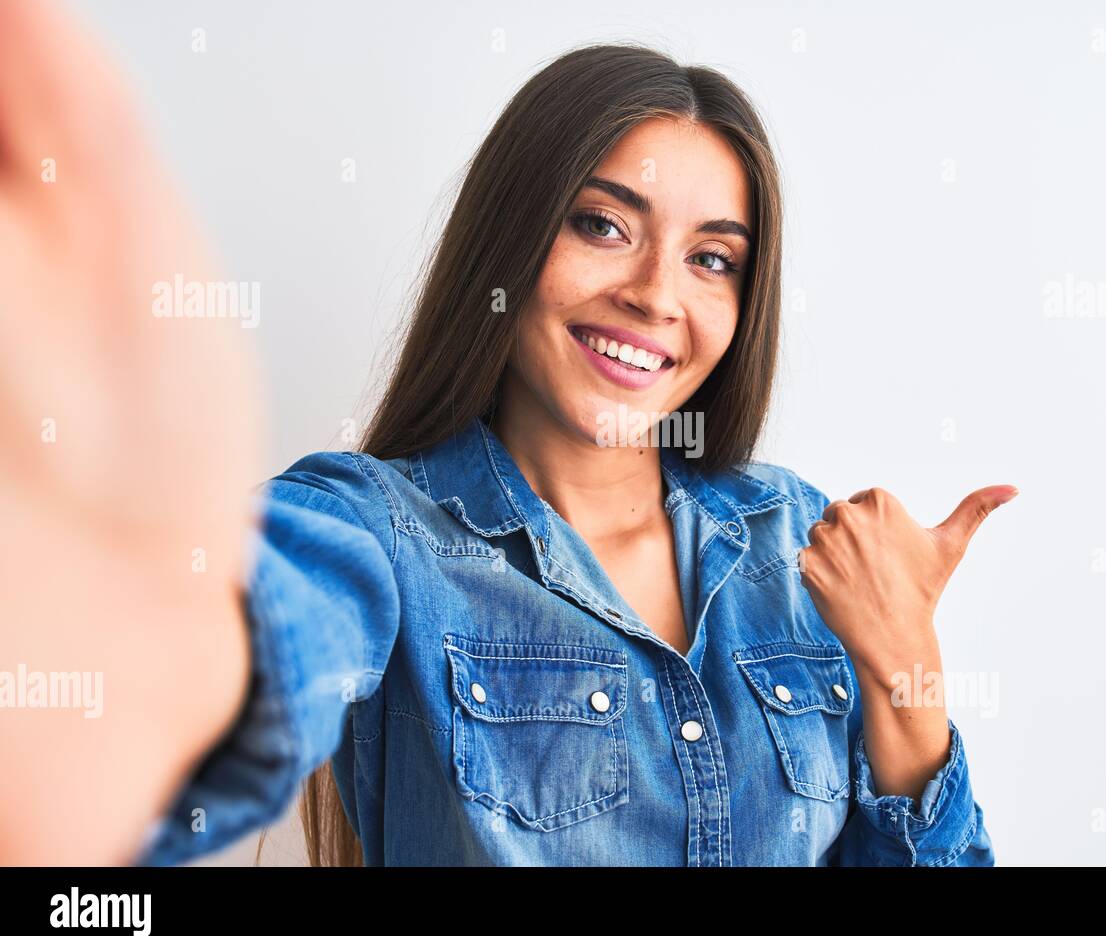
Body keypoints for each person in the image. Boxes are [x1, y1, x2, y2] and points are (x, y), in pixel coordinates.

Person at [0, 0, 1012, 866]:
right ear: (513, 236)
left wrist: (902, 668)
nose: (655, 295)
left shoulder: (798, 538)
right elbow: (241, 645)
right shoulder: (378, 535)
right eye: (603, 224)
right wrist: (119, 630)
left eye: (713, 260)